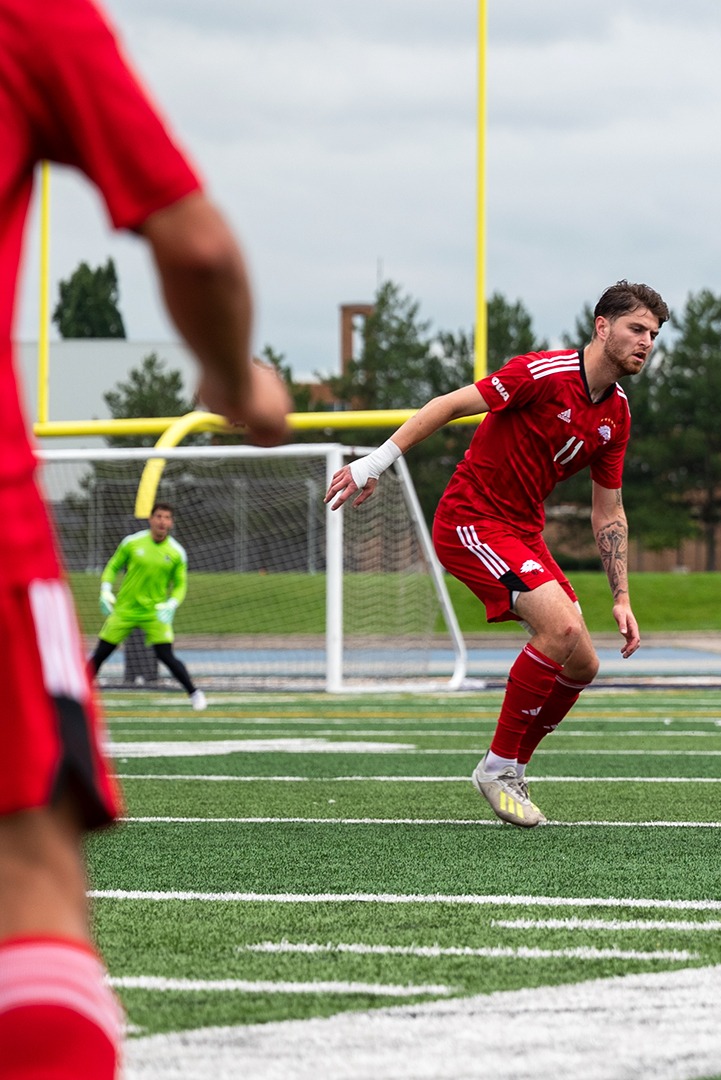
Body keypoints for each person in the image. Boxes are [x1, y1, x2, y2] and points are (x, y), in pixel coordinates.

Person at [0, 2, 292, 1075]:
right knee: (30, 876)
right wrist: (231, 381)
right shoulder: (34, 19)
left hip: (131, 611)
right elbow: (201, 249)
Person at [326, 282, 661, 828]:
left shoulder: (617, 415)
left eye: (653, 334)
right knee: (561, 630)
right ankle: (496, 768)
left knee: (584, 663)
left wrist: (621, 597)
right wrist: (374, 463)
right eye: (636, 329)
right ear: (602, 326)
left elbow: (609, 512)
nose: (646, 342)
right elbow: (449, 404)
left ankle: (511, 768)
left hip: (523, 532)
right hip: (470, 520)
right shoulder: (542, 373)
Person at [88, 502, 205, 708]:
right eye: (159, 516)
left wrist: (172, 604)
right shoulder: (132, 543)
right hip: (125, 610)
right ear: (151, 519)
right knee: (101, 654)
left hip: (155, 612)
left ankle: (195, 694)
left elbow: (180, 585)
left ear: (171, 522)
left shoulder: (176, 552)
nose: (162, 521)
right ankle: (74, 698)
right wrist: (106, 590)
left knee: (166, 656)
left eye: (167, 518)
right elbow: (112, 566)